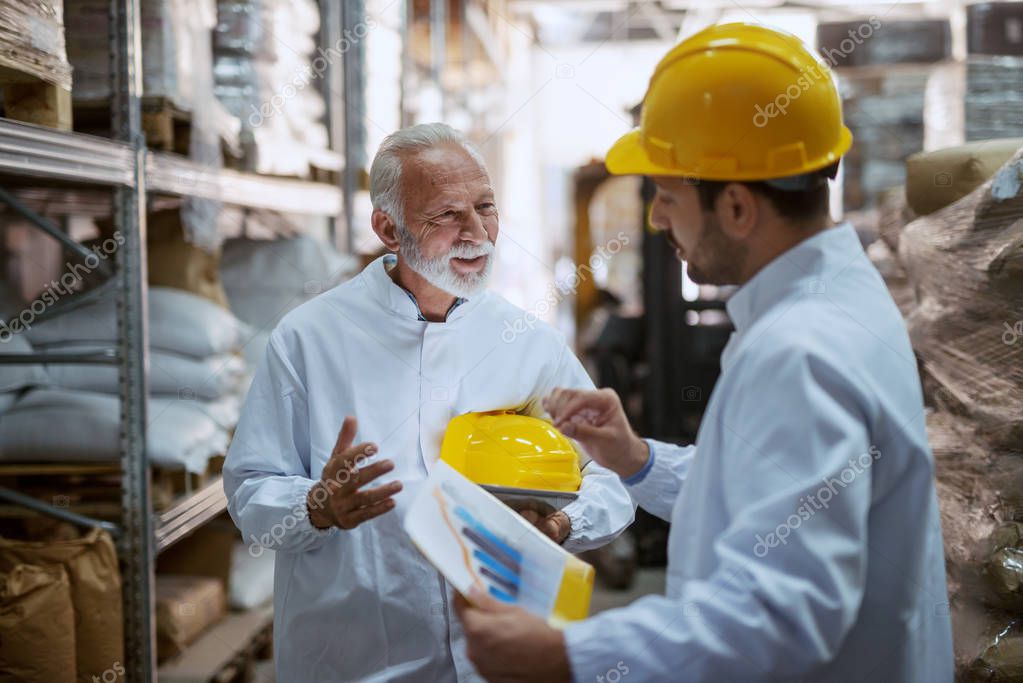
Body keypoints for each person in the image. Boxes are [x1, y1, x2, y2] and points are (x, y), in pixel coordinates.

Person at [455, 23, 954, 682]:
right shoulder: (843, 296)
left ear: (739, 207)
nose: (658, 220)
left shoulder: (798, 352)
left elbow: (778, 617)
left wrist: (565, 654)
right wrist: (634, 458)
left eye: (667, 197)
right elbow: (771, 498)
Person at [223, 123, 634, 682]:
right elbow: (250, 487)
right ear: (388, 228)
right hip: (354, 661)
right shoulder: (309, 338)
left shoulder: (526, 342)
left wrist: (560, 523)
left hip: (498, 661)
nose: (477, 232)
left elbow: (611, 474)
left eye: (485, 207)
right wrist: (318, 505)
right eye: (446, 215)